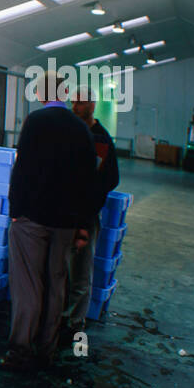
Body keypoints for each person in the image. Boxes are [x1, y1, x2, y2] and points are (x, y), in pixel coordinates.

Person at [0, 94, 96, 371]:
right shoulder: (81, 128)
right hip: (66, 223)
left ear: (41, 94)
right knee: (55, 284)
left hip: (32, 217)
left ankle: (20, 352)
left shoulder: (36, 121)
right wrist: (82, 224)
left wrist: (15, 208)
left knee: (28, 287)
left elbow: (21, 168)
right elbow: (88, 180)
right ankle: (45, 352)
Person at [60, 87, 120, 343]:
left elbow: (110, 179)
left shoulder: (101, 139)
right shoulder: (71, 131)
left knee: (80, 272)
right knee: (61, 268)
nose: (76, 106)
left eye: (81, 102)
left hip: (84, 216)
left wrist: (87, 209)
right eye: (74, 102)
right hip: (63, 213)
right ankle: (59, 315)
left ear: (93, 104)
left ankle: (74, 322)